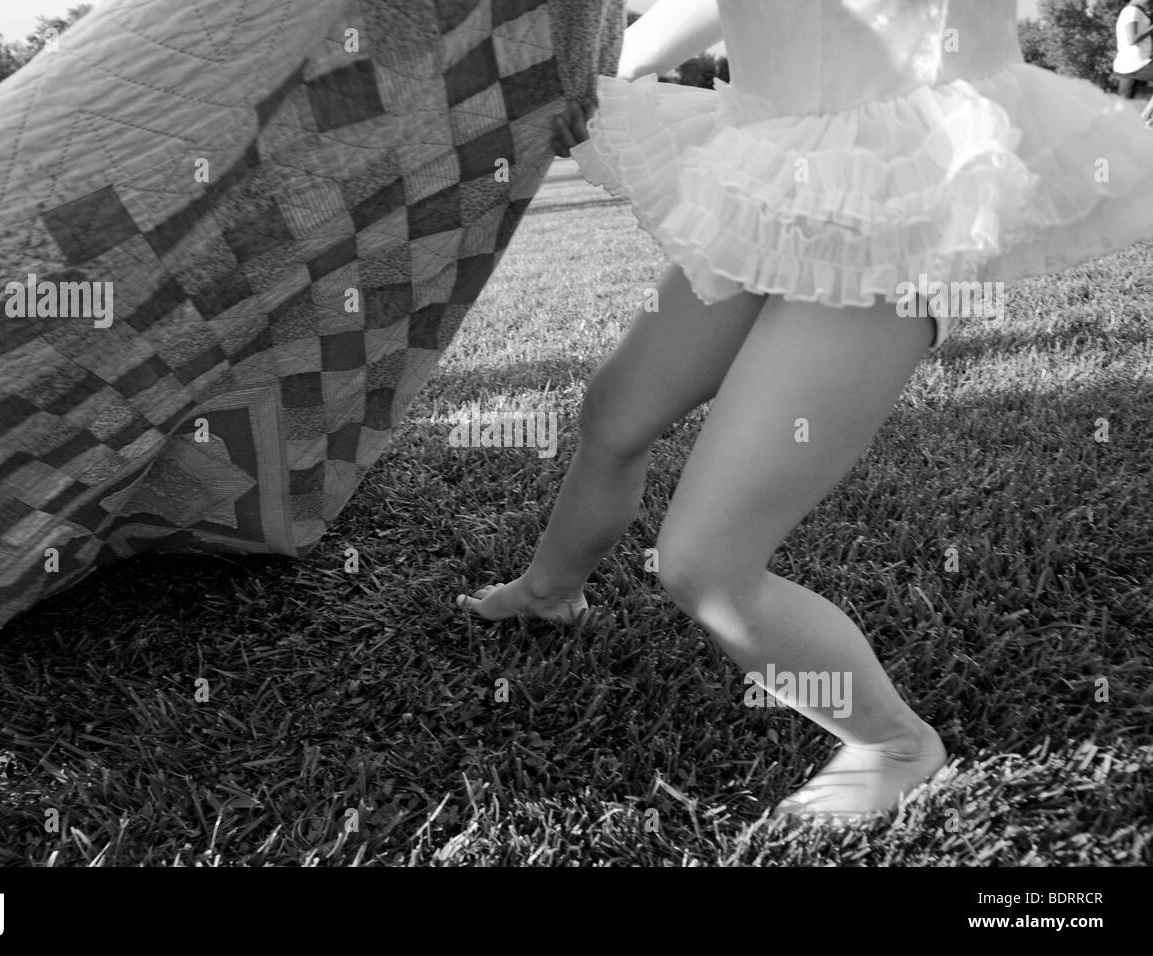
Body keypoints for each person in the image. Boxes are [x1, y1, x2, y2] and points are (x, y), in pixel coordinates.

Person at [456, 0, 1153, 823]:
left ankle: (893, 743)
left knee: (704, 564)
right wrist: (607, 67)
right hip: (774, 177)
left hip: (896, 205)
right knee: (613, 417)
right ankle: (548, 592)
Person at [1114, 1, 1153, 98]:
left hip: (1127, 65)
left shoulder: (1133, 11)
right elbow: (1132, 39)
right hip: (1137, 64)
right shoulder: (1131, 11)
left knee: (1125, 107)